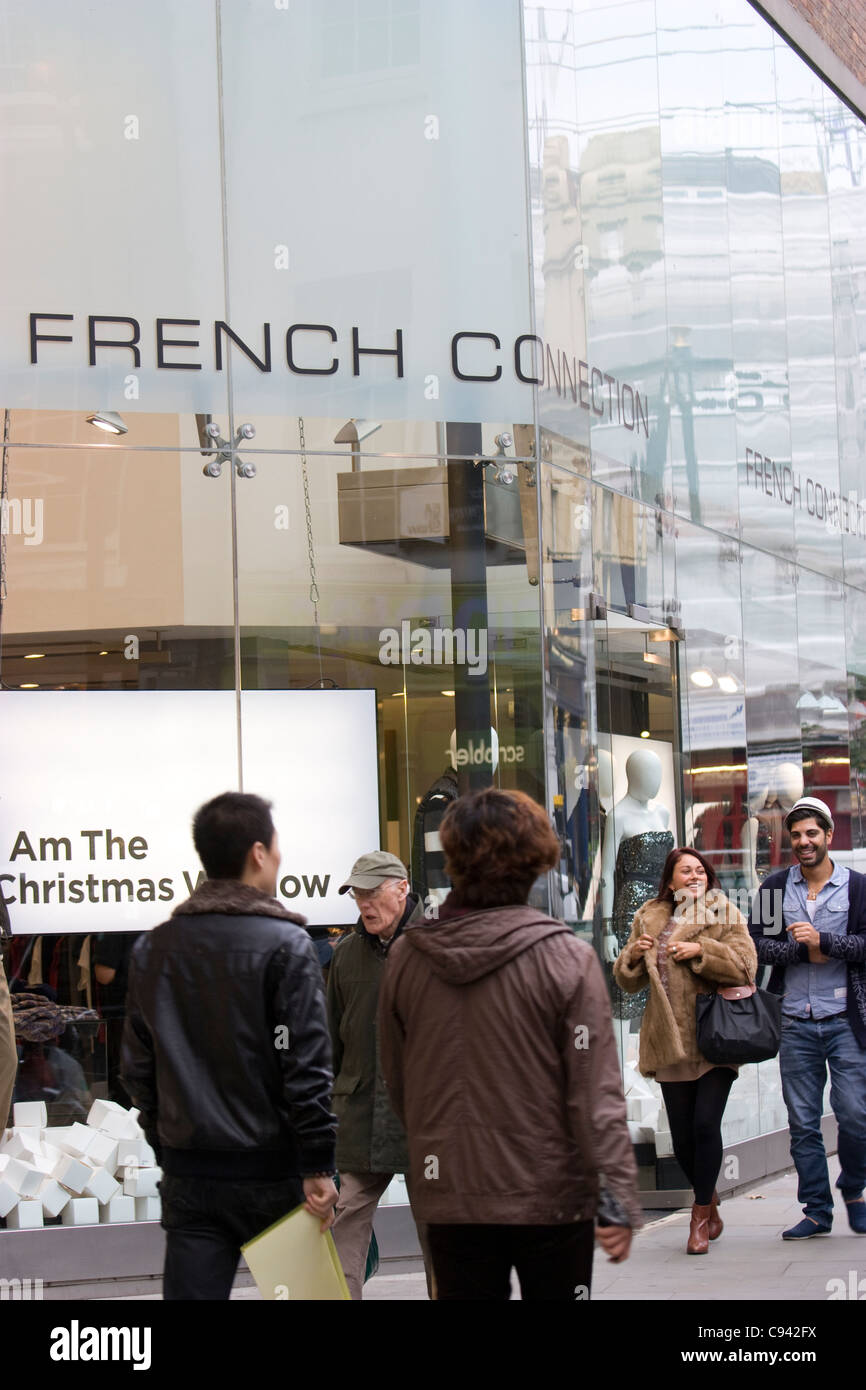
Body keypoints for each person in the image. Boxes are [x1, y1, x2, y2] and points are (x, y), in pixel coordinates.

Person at [379, 788, 642, 1301]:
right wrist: (615, 1191)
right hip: (552, 1195)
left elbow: (400, 1079)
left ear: (452, 857)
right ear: (536, 861)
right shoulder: (567, 958)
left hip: (452, 1190)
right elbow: (595, 1095)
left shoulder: (408, 959)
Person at [121, 792, 338, 1300]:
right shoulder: (287, 945)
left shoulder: (155, 947)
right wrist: (318, 1164)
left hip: (191, 1172)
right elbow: (307, 1068)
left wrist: (166, 1140)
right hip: (275, 1171)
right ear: (259, 853)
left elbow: (138, 1068)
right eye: (277, 845)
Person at [614, 847, 756, 1255]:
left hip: (714, 1038)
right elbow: (627, 982)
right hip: (669, 1042)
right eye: (685, 871)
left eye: (699, 870)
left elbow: (748, 966)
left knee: (706, 1125)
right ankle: (710, 1202)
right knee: (681, 1138)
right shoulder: (650, 915)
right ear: (671, 880)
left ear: (708, 877)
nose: (694, 876)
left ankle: (697, 1216)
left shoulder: (723, 910)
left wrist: (702, 954)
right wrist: (634, 955)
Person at [747, 795, 866, 1239]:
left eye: (812, 833)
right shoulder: (774, 889)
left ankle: (853, 1186)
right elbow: (756, 944)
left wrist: (825, 942)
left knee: (855, 1114)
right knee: (802, 1121)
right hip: (795, 1021)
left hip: (845, 1019)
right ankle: (817, 1210)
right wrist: (801, 950)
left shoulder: (858, 888)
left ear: (829, 836)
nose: (803, 841)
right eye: (796, 835)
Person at [328, 850, 432, 1299]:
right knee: (342, 1218)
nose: (364, 904)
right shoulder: (346, 955)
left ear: (402, 888)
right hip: (360, 1113)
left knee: (440, 1230)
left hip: (426, 1119)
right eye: (357, 894)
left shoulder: (438, 945)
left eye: (372, 893)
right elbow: (330, 1038)